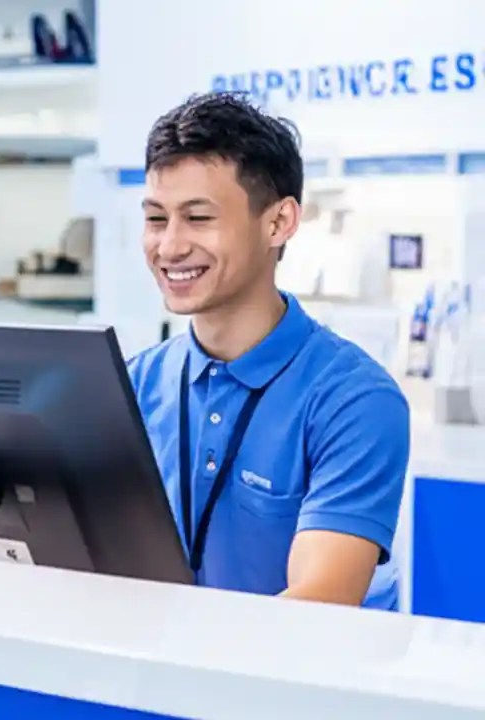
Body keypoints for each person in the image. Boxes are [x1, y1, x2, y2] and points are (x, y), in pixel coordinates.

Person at [127, 92, 408, 609]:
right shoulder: (132, 386)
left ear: (278, 223)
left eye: (198, 218)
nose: (169, 247)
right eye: (156, 219)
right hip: (150, 680)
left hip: (294, 685)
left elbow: (320, 602)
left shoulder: (354, 400)